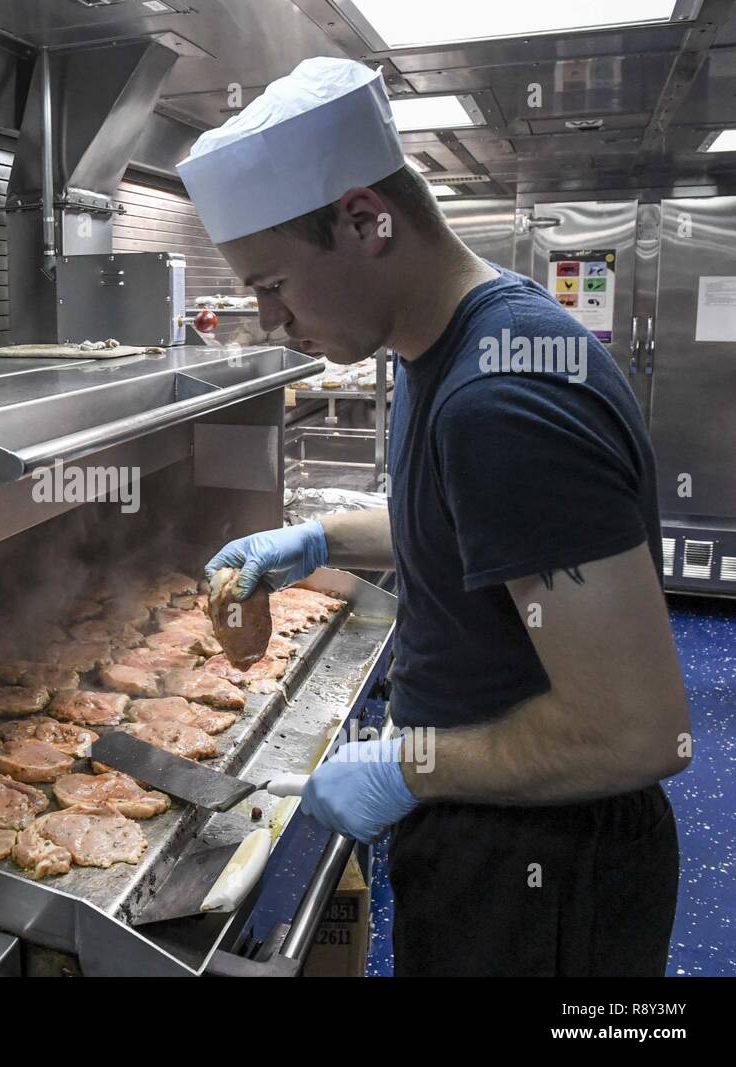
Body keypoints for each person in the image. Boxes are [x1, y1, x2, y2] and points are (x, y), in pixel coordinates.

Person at [178, 58, 689, 976]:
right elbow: (472, 527)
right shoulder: (441, 349)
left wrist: (403, 765)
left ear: (368, 221)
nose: (266, 320)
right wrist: (323, 540)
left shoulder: (503, 396)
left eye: (272, 286)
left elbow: (636, 730)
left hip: (545, 873)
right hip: (489, 832)